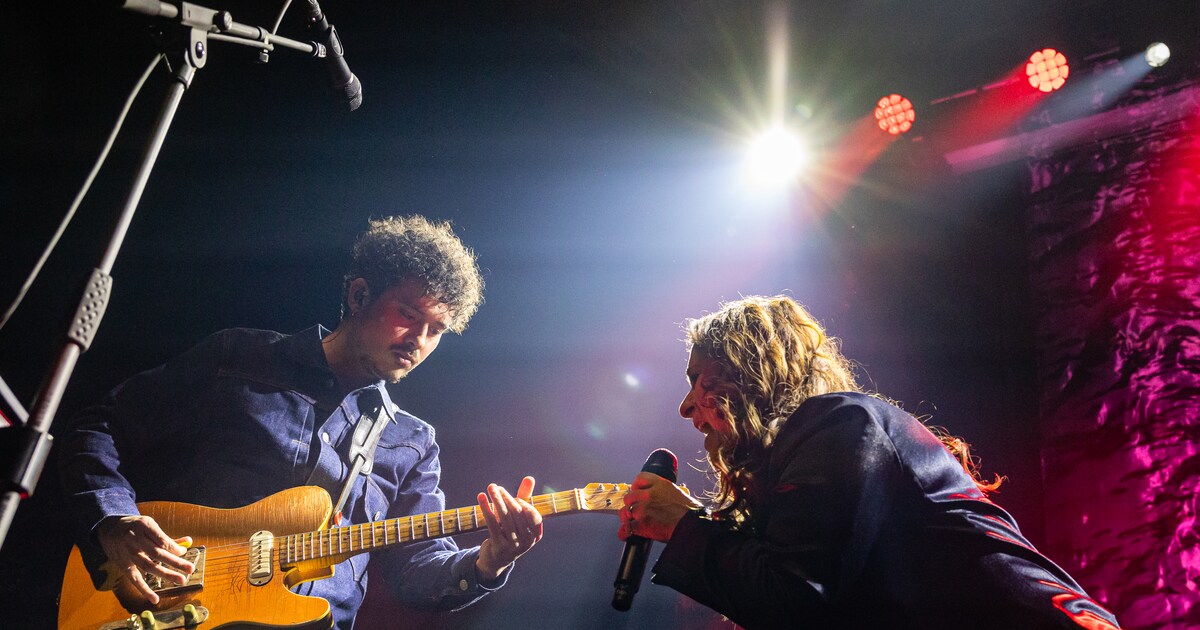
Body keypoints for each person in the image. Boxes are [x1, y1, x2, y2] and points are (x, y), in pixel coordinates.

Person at [59, 215, 543, 629]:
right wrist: (111, 520)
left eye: (436, 330)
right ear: (359, 295)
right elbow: (99, 428)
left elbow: (417, 570)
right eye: (408, 315)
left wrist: (488, 562)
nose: (418, 340)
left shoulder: (412, 442)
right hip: (160, 609)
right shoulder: (240, 358)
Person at [618, 295, 1120, 629]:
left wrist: (685, 526)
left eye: (701, 378)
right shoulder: (803, 464)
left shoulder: (841, 423)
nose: (686, 406)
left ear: (751, 372)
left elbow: (797, 596)